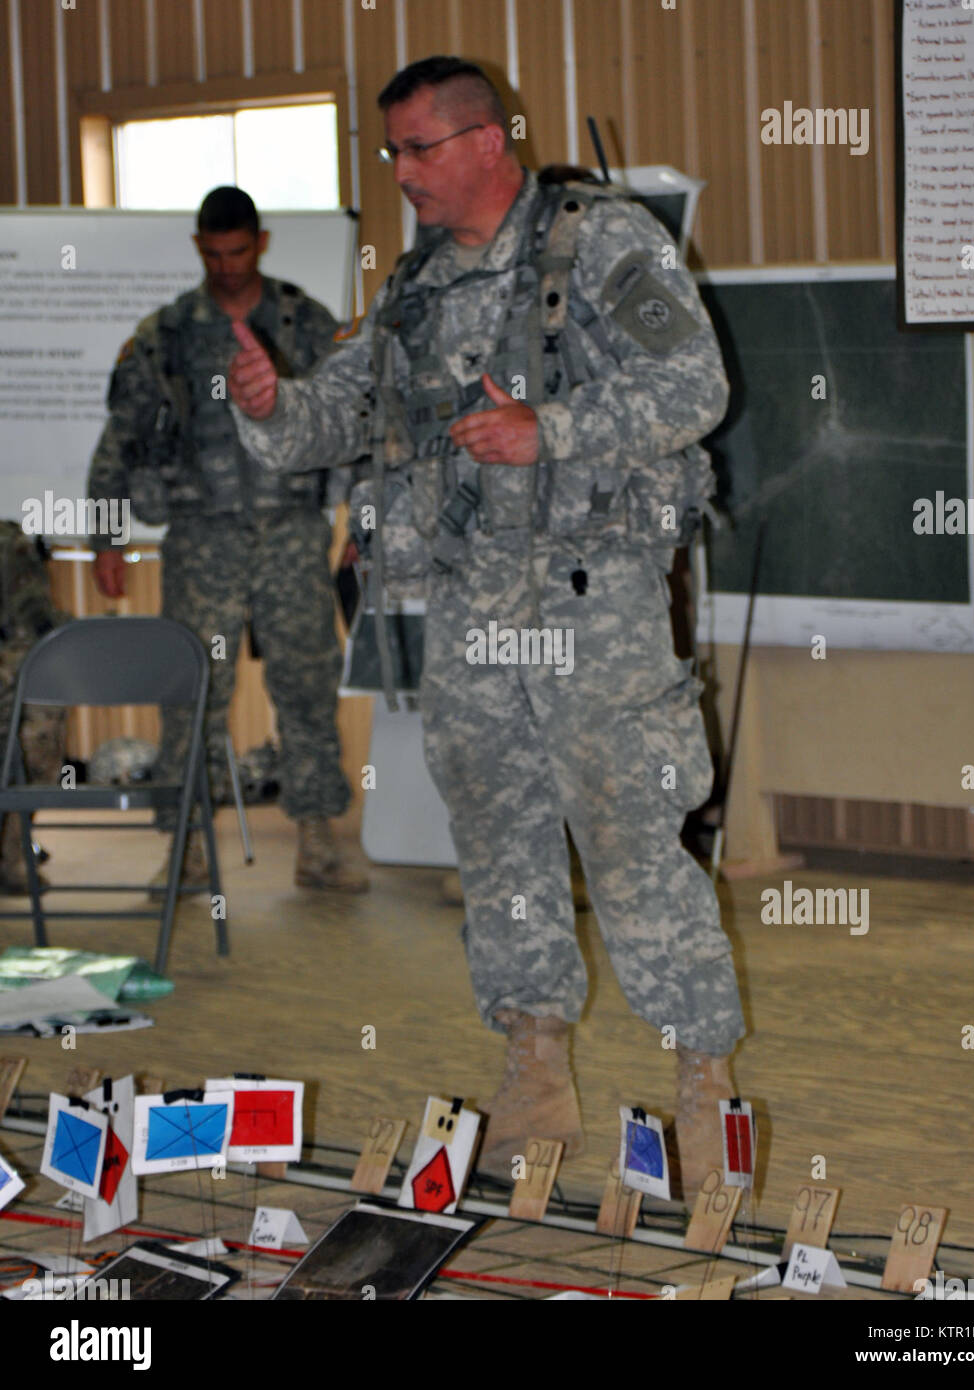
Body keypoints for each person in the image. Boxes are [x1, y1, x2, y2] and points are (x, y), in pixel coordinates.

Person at [229, 58, 745, 1200]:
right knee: (502, 848)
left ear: (482, 142)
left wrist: (548, 428)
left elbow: (695, 383)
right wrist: (271, 407)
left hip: (594, 603)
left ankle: (703, 1084)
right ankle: (533, 1072)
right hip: (472, 613)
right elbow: (340, 407)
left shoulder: (605, 245)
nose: (400, 174)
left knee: (627, 841)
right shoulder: (413, 287)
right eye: (391, 153)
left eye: (416, 149)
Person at [87, 187, 367, 894]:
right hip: (201, 535)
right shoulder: (168, 333)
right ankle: (186, 846)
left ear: (260, 243)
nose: (227, 265)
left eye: (238, 251)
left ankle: (315, 838)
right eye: (213, 253)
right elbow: (120, 439)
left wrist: (362, 526)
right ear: (198, 248)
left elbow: (355, 423)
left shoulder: (304, 321)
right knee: (193, 689)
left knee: (304, 678)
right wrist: (106, 538)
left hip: (293, 531)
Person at [0, 523, 65, 893]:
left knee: (40, 719)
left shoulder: (10, 544)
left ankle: (13, 853)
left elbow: (35, 625)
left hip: (14, 664)